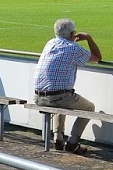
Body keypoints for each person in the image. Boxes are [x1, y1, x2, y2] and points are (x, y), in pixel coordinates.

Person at [33, 18, 101, 155]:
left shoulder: (50, 43)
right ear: (72, 34)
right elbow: (97, 57)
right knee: (89, 107)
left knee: (59, 100)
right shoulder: (73, 48)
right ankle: (72, 143)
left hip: (38, 96)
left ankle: (58, 137)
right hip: (57, 97)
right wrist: (88, 38)